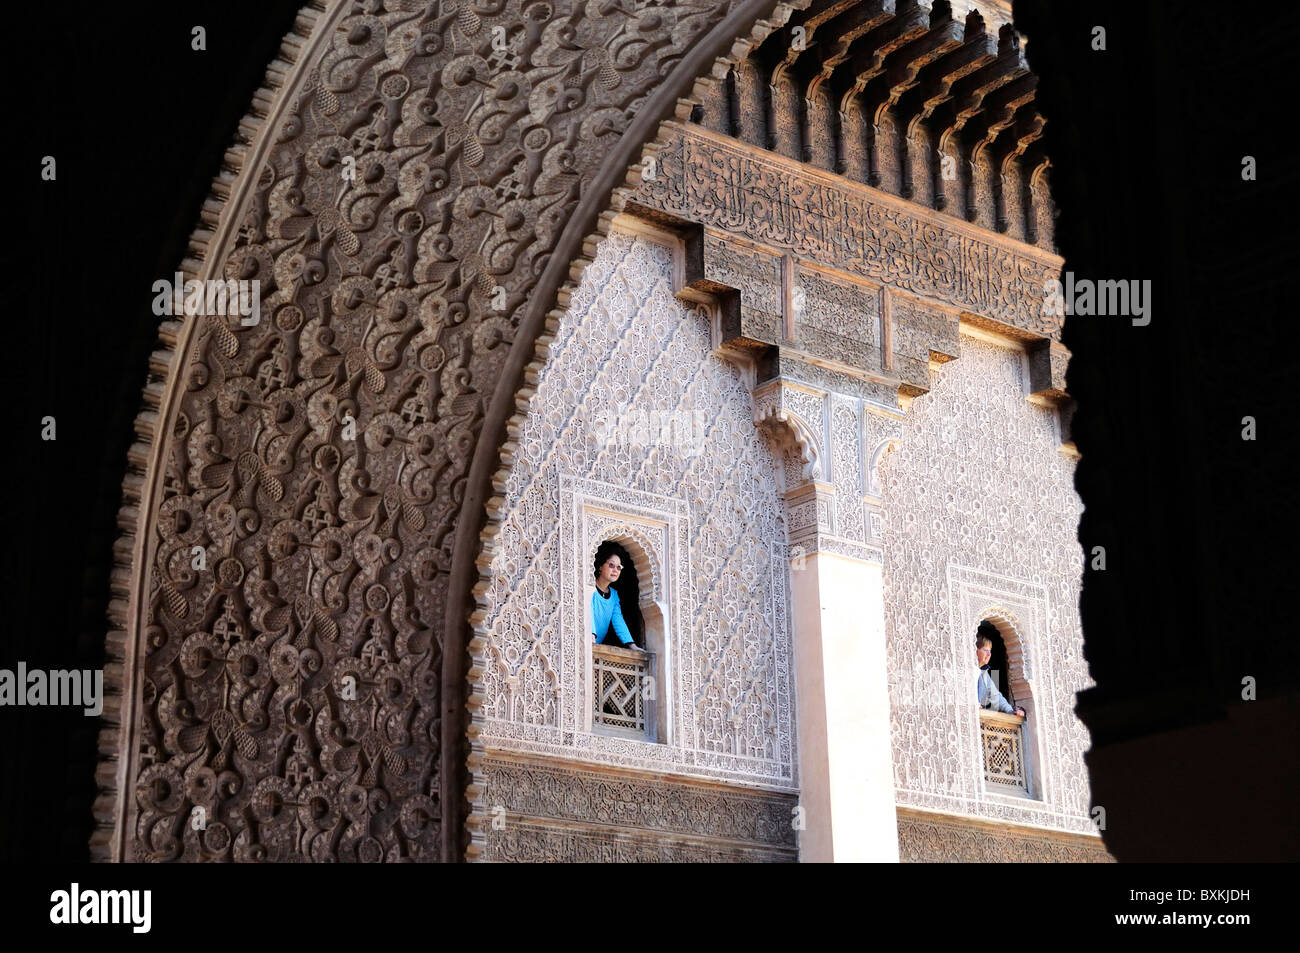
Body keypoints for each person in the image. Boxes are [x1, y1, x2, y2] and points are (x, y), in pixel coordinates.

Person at [591, 542, 643, 651]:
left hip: (596, 648)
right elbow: (588, 612)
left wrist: (632, 645)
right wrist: (591, 636)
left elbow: (618, 621)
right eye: (611, 565)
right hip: (583, 642)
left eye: (619, 567)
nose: (615, 570)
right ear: (601, 566)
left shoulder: (614, 595)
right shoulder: (590, 588)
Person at [976, 633, 1025, 717]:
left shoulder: (984, 673)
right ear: (976, 651)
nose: (989, 654)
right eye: (985, 650)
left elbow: (996, 697)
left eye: (990, 651)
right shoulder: (966, 671)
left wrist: (1010, 711)